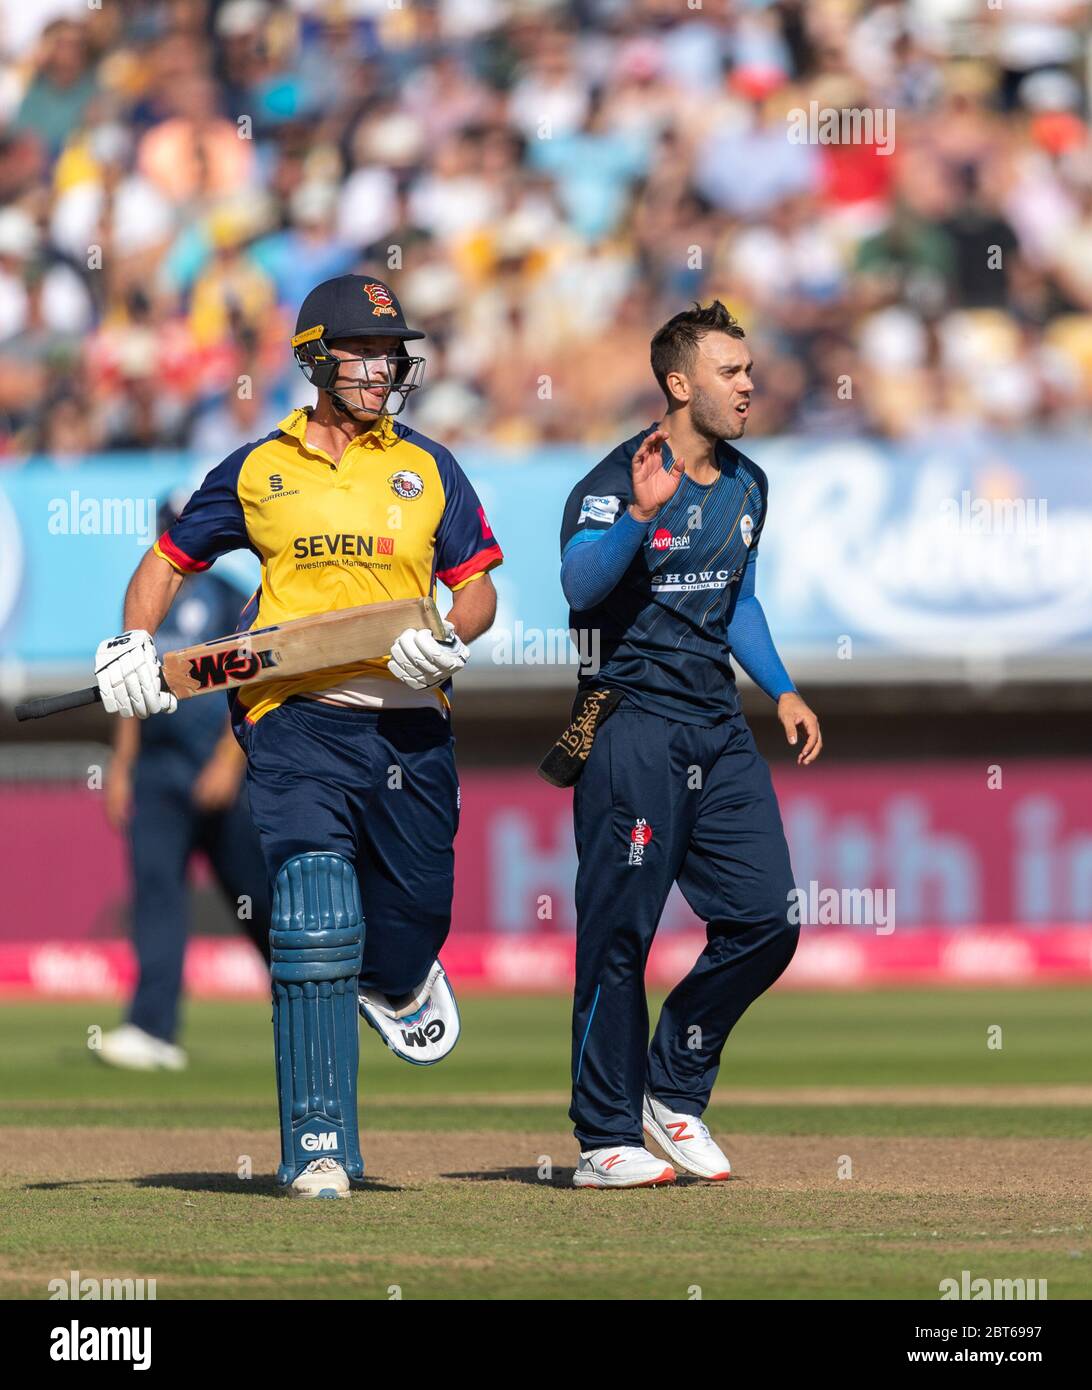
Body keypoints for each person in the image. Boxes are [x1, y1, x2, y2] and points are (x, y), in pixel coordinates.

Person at [92, 275, 502, 1198]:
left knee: (413, 918)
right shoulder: (256, 470)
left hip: (408, 723)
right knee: (315, 900)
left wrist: (446, 633)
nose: (386, 369)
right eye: (367, 353)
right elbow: (167, 561)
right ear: (317, 358)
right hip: (290, 718)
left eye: (395, 355)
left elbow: (476, 587)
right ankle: (316, 1150)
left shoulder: (430, 466)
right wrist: (134, 642)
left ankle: (397, 981)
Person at [553, 299, 821, 1189]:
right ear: (679, 384)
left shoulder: (749, 484)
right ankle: (601, 1139)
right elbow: (584, 587)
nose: (750, 385)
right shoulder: (612, 481)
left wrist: (780, 689)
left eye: (749, 370)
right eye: (730, 372)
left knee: (767, 919)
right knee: (621, 935)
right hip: (631, 725)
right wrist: (638, 515)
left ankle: (670, 1090)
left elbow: (738, 599)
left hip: (720, 726)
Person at [99, 494, 272, 1071]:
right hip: (157, 770)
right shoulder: (146, 598)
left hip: (220, 767)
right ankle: (152, 1029)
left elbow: (250, 686)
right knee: (156, 897)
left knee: (261, 901)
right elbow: (126, 691)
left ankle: (311, 1007)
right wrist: (121, 766)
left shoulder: (229, 597)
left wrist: (229, 759)